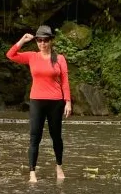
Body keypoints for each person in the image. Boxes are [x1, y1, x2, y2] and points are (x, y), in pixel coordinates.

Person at [6, 25, 72, 183]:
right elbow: (10, 55)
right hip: (36, 101)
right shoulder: (31, 57)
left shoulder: (60, 58)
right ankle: (32, 173)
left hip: (56, 102)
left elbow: (65, 82)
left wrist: (68, 102)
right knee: (35, 137)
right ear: (36, 41)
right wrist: (22, 40)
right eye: (39, 40)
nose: (42, 43)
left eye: (46, 40)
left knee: (56, 137)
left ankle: (59, 166)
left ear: (51, 41)